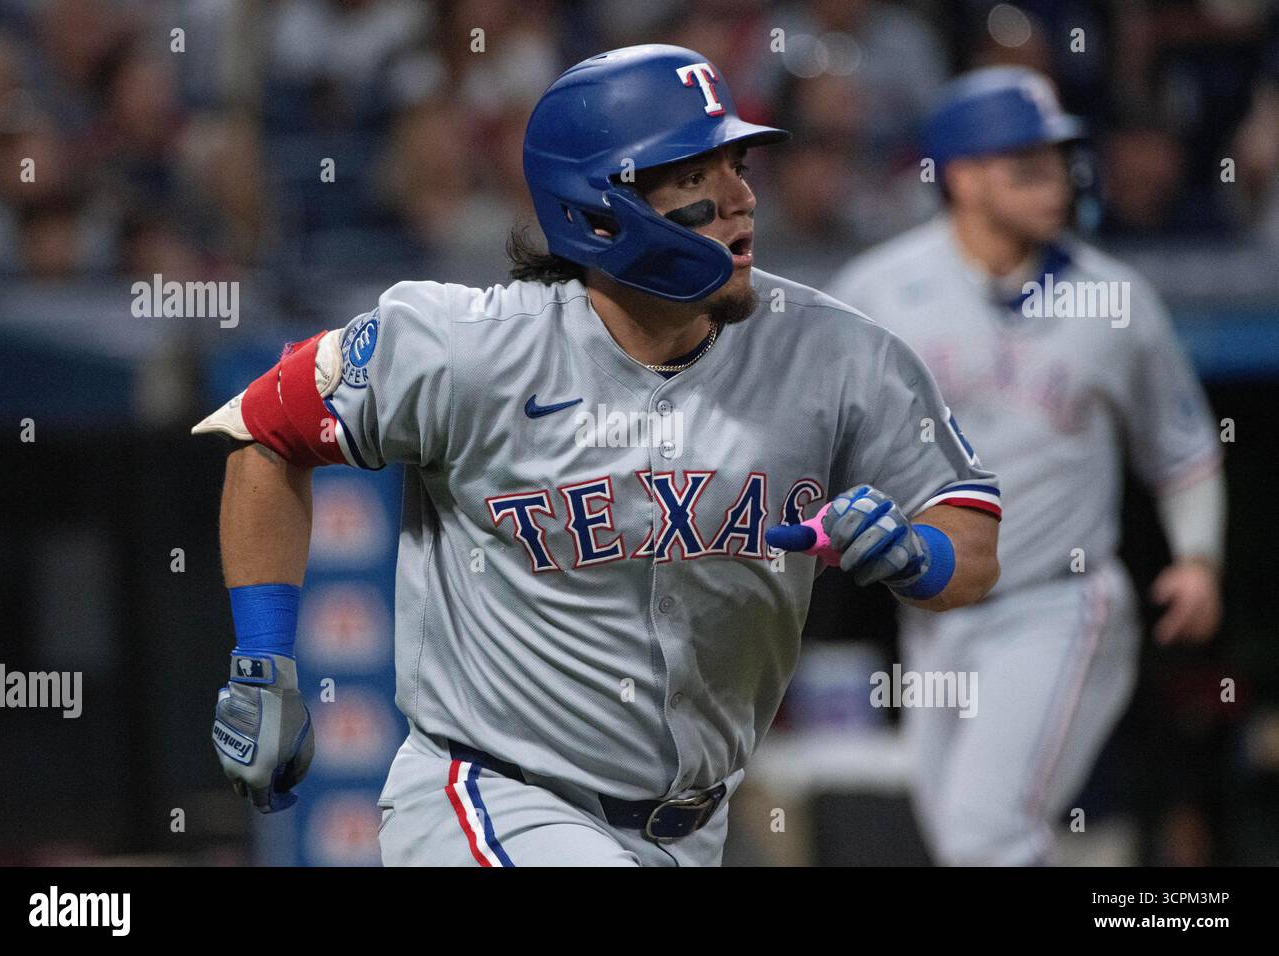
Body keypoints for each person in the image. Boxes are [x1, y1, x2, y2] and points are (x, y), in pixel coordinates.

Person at [194, 44, 1002, 866]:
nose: (741, 197)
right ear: (600, 209)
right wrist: (263, 662)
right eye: (693, 175)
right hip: (491, 797)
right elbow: (265, 428)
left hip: (694, 827)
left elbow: (971, 534)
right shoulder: (466, 346)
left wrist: (919, 555)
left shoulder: (835, 353)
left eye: (737, 162)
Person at [826, 66, 1226, 866]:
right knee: (962, 839)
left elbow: (1182, 449)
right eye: (1028, 166)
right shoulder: (879, 289)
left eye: (1058, 163)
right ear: (966, 179)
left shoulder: (1114, 298)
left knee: (987, 833)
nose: (1055, 184)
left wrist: (1199, 559)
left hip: (1059, 601)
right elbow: (810, 417)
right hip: (933, 615)